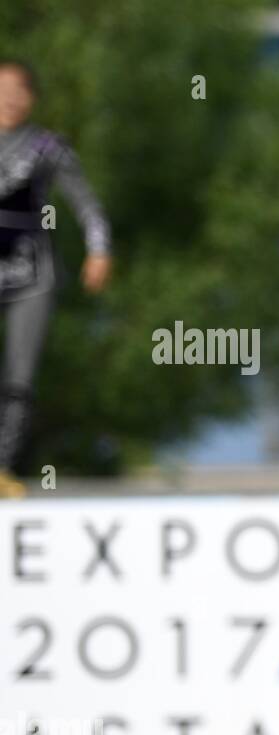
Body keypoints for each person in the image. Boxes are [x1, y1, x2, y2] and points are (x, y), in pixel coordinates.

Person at [0, 59, 112, 497]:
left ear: (32, 98)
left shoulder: (47, 146)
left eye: (17, 90)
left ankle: (3, 466)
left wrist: (99, 249)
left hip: (31, 271)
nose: (9, 98)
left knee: (19, 376)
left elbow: (86, 203)